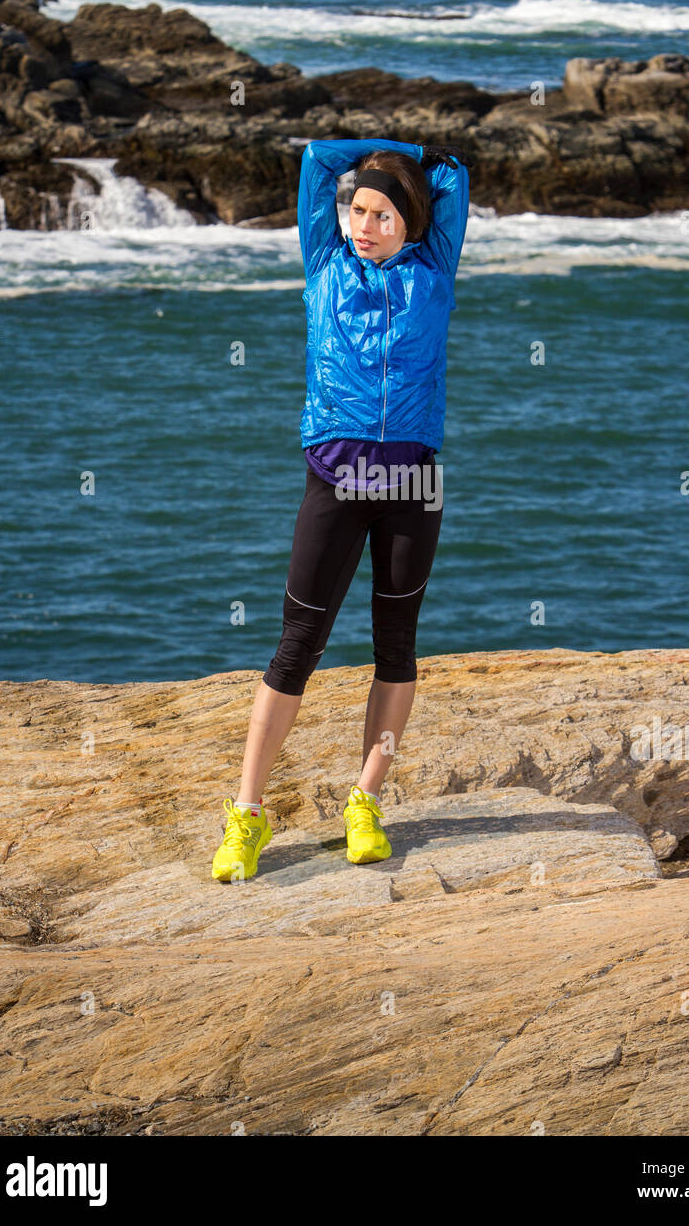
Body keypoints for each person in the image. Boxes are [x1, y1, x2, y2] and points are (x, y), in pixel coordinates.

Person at [212, 137, 469, 882]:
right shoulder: (325, 264)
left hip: (413, 484)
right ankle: (246, 816)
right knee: (298, 647)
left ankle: (364, 802)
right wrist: (394, 148)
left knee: (397, 648)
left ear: (412, 225)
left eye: (384, 214)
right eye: (359, 210)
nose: (365, 224)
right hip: (334, 479)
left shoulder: (433, 271)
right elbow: (319, 158)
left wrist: (427, 159)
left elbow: (451, 179)